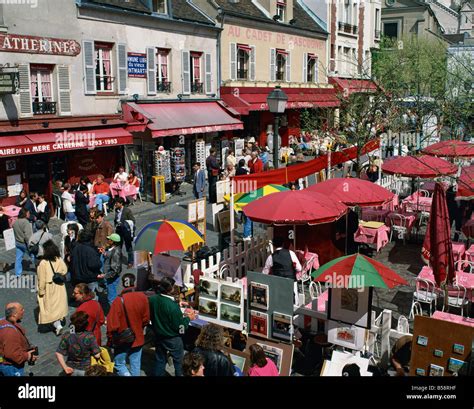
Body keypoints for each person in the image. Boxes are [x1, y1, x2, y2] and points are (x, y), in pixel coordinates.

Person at [149, 277, 198, 376]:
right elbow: (180, 328)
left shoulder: (153, 299)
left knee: (160, 361)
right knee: (178, 362)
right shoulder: (172, 306)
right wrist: (189, 318)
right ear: (170, 289)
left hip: (159, 335)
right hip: (172, 338)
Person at [107, 273, 150, 376]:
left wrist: (110, 338)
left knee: (119, 364)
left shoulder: (118, 301)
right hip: (138, 336)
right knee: (135, 364)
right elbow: (146, 318)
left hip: (122, 339)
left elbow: (113, 324)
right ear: (133, 282)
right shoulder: (143, 297)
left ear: (123, 283)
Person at [37, 240, 68, 336]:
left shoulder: (43, 263)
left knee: (49, 308)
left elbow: (41, 279)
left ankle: (58, 326)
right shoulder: (58, 258)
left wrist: (41, 291)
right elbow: (65, 270)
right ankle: (58, 324)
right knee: (58, 307)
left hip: (49, 288)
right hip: (59, 286)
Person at [56, 311, 101, 376]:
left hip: (71, 368)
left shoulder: (67, 335)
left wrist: (65, 367)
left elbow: (58, 353)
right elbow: (97, 355)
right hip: (86, 369)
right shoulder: (90, 336)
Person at [0, 303, 38, 376]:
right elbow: (12, 354)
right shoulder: (10, 332)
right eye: (21, 309)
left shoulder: (3, 321)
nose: (23, 311)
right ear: (14, 314)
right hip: (10, 367)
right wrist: (28, 356)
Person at [70, 230, 102, 294]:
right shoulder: (90, 250)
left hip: (77, 277)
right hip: (89, 278)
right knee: (91, 297)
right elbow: (94, 265)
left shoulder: (76, 248)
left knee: (81, 297)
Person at [99, 233, 122, 306]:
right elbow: (110, 256)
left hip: (111, 278)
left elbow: (115, 270)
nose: (107, 240)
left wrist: (105, 275)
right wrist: (104, 253)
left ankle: (115, 315)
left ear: (113, 242)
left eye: (109, 239)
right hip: (109, 277)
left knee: (111, 299)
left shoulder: (116, 252)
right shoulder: (112, 249)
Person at [114, 197, 135, 268]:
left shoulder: (127, 211)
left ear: (121, 203)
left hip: (126, 231)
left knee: (128, 246)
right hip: (119, 230)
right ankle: (118, 259)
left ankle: (130, 261)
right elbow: (115, 219)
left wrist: (125, 224)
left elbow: (132, 221)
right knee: (118, 245)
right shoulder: (116, 210)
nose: (115, 204)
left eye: (117, 203)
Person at [13, 208, 33, 277]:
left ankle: (18, 274)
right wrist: (31, 245)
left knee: (18, 258)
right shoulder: (25, 222)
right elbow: (28, 236)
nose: (29, 214)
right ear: (25, 214)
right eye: (28, 213)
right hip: (25, 244)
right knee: (33, 256)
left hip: (18, 243)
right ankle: (39, 269)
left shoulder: (15, 222)